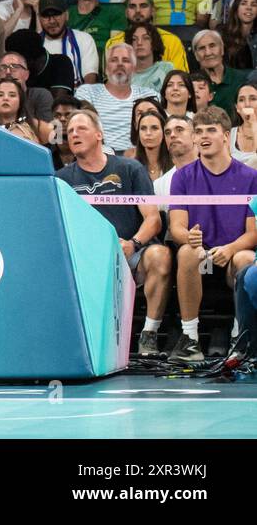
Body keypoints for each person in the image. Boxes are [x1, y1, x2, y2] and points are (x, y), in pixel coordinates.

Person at [57, 109, 171, 357]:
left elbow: (153, 219)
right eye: (70, 131)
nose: (74, 134)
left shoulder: (130, 168)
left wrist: (133, 243)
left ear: (99, 134)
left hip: (130, 252)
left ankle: (149, 335)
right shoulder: (62, 179)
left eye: (81, 129)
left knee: (160, 255)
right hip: (88, 258)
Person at [168, 107, 257, 363]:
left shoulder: (251, 177)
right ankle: (190, 340)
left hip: (232, 256)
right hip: (201, 257)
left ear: (226, 136)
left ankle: (239, 337)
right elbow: (176, 228)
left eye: (211, 130)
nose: (203, 136)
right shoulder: (182, 177)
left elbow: (253, 233)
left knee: (246, 260)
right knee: (187, 251)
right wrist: (188, 237)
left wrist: (229, 249)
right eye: (198, 131)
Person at [75, 44, 159, 153]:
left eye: (125, 60)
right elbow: (82, 129)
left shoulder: (148, 95)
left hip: (139, 156)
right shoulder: (87, 92)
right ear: (106, 68)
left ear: (134, 69)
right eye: (114, 60)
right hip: (99, 155)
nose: (119, 64)